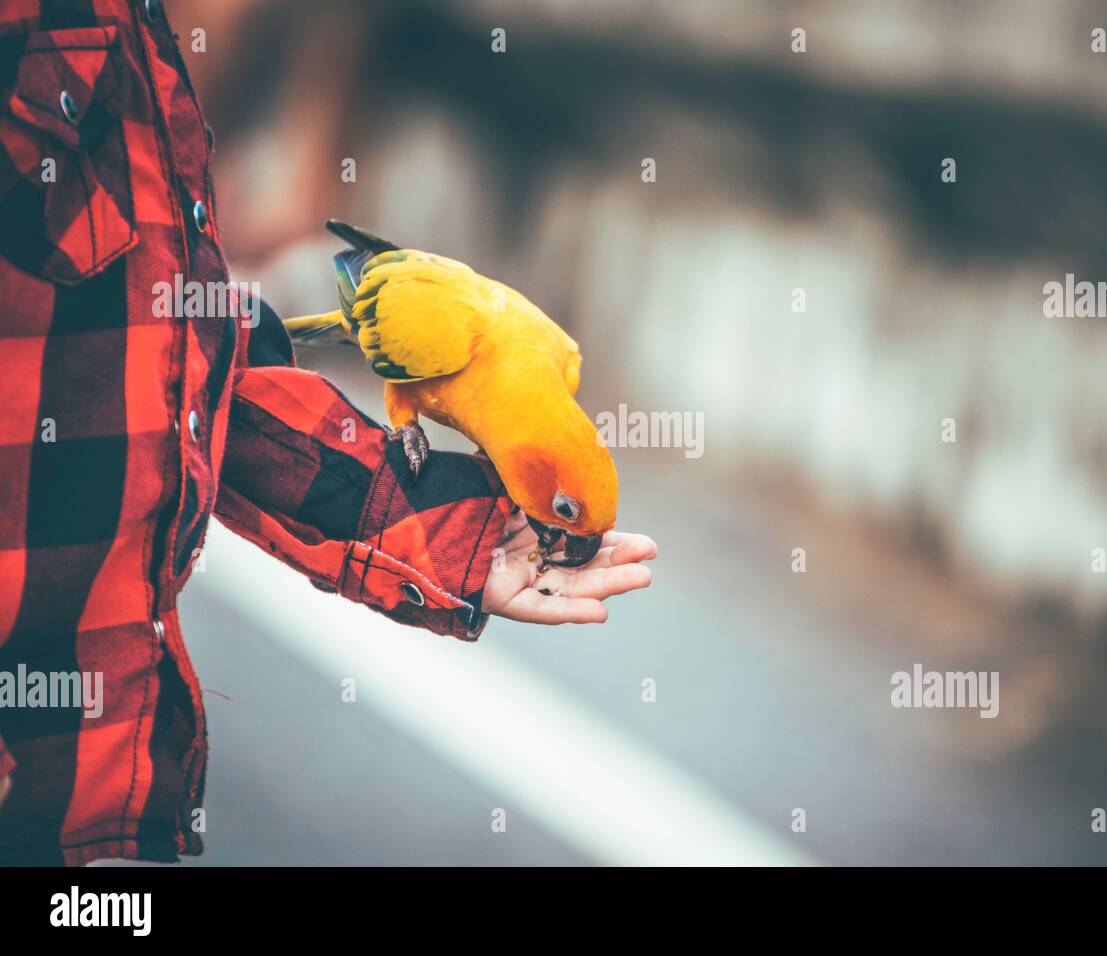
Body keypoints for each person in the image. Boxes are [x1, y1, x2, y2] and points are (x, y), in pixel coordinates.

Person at [0, 0, 654, 865]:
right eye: (564, 511)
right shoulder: (451, 339)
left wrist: (449, 532)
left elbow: (160, 360)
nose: (560, 525)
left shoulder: (556, 361)